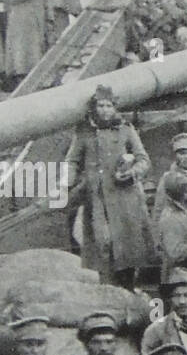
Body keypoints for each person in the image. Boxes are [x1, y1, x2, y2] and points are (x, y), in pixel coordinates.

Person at [64, 85, 153, 285]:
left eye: (108, 106)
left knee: (127, 245)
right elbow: (72, 161)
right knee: (102, 244)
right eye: (100, 106)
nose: (104, 110)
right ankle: (107, 287)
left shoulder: (126, 130)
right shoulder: (84, 133)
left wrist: (132, 171)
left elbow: (143, 159)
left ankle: (127, 287)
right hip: (97, 199)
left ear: (115, 108)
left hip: (125, 197)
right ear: (94, 108)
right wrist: (67, 181)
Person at [3, 0, 46, 84]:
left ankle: (34, 78)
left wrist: (49, 16)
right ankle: (19, 78)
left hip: (36, 19)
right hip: (20, 20)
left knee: (36, 52)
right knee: (20, 52)